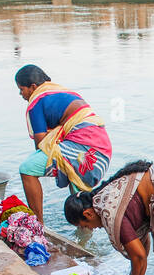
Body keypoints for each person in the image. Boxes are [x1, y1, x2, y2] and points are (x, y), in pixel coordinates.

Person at [14, 64, 113, 226]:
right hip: (101, 151)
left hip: (84, 148)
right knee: (81, 205)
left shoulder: (36, 102)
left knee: (26, 169)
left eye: (21, 89)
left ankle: (38, 224)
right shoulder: (63, 92)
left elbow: (41, 144)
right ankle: (85, 238)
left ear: (32, 87)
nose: (21, 95)